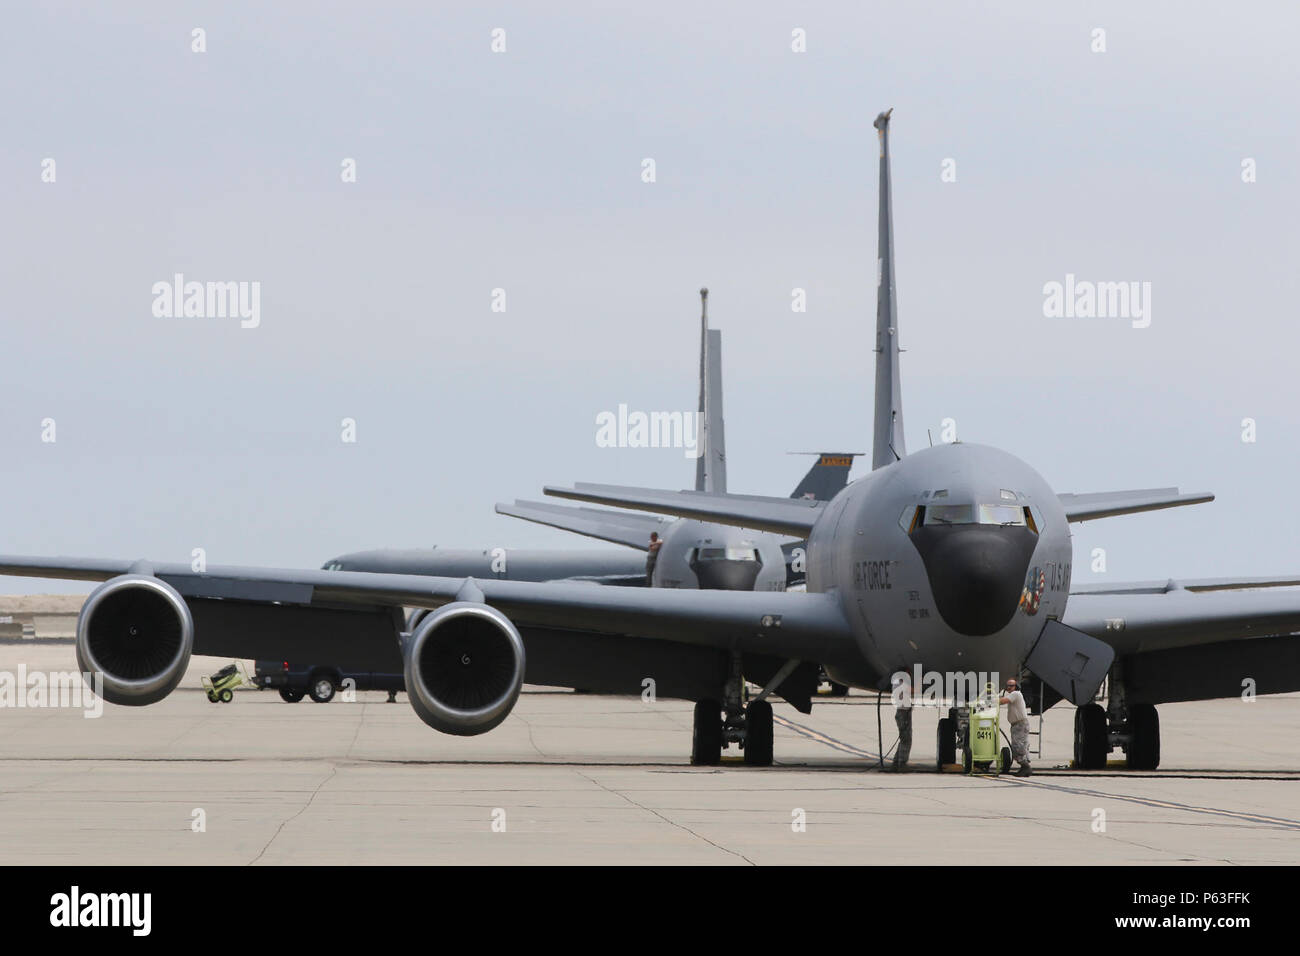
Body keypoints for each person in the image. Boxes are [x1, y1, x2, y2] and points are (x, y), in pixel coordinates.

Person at [1000, 678, 1031, 776]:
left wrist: (989, 701)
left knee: (1018, 746)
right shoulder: (1013, 695)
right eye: (1008, 685)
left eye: (1011, 685)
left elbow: (1003, 701)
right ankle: (1024, 767)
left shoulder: (1016, 694)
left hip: (1019, 724)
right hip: (1017, 725)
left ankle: (1025, 767)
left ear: (1016, 686)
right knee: (1020, 745)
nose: (1009, 687)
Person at [892, 673, 913, 770]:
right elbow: (912, 690)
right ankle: (902, 762)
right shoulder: (902, 685)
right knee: (906, 739)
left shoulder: (896, 683)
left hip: (902, 713)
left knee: (903, 738)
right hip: (903, 714)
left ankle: (896, 761)